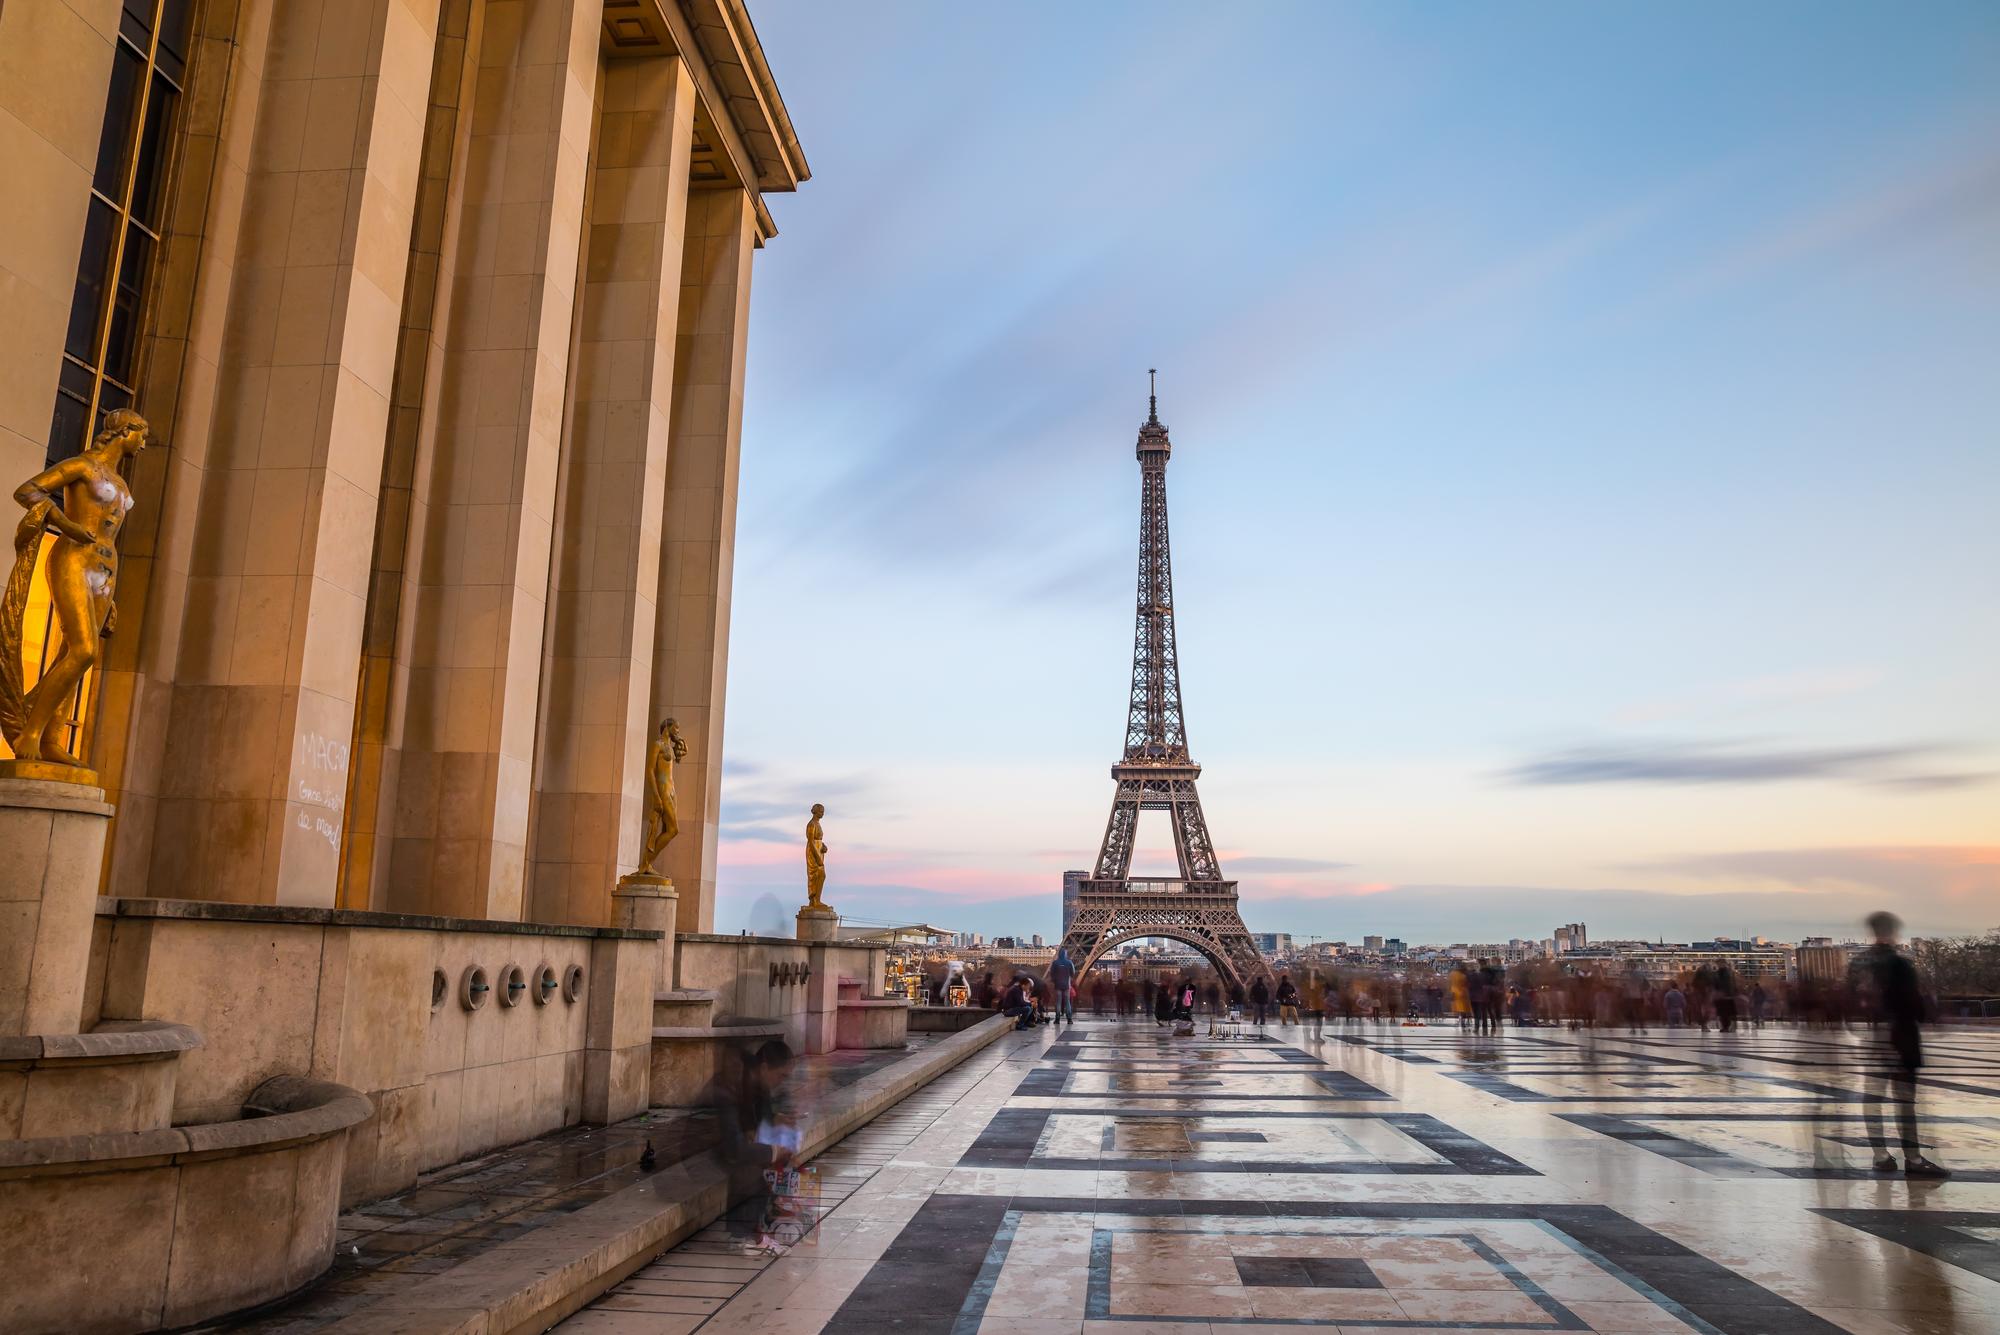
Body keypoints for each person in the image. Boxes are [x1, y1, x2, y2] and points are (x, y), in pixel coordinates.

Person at [1858, 911, 1950, 1178]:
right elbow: (1911, 1004)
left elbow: (1855, 997)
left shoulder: (1863, 963)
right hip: (1900, 1038)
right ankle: (1913, 1158)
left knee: (1873, 1098)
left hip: (1875, 1039)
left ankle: (1881, 1155)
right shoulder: (1899, 965)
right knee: (1905, 1102)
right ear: (1892, 931)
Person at [707, 1039, 796, 1247]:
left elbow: (756, 1126)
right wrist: (773, 1151)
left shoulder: (759, 1085)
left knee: (776, 1158)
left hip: (730, 1144)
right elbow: (734, 1147)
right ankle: (741, 1236)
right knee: (753, 1162)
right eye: (781, 1076)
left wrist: (775, 1122)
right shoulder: (731, 1088)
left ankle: (764, 1225)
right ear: (764, 1068)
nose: (782, 1082)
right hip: (708, 1151)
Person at [1048, 947, 1077, 1026]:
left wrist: (1054, 980)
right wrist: (1069, 978)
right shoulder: (1069, 962)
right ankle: (1069, 1019)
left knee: (1058, 1002)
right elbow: (1073, 972)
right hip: (1067, 985)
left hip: (1058, 984)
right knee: (1067, 1002)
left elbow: (1052, 973)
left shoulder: (1055, 962)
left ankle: (1057, 1019)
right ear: (1065, 954)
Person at [1303, 971, 1326, 1039]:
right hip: (1316, 1005)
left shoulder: (1313, 983)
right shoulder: (1317, 984)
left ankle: (1314, 1036)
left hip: (1316, 1005)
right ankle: (1316, 1036)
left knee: (1314, 1021)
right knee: (1317, 1021)